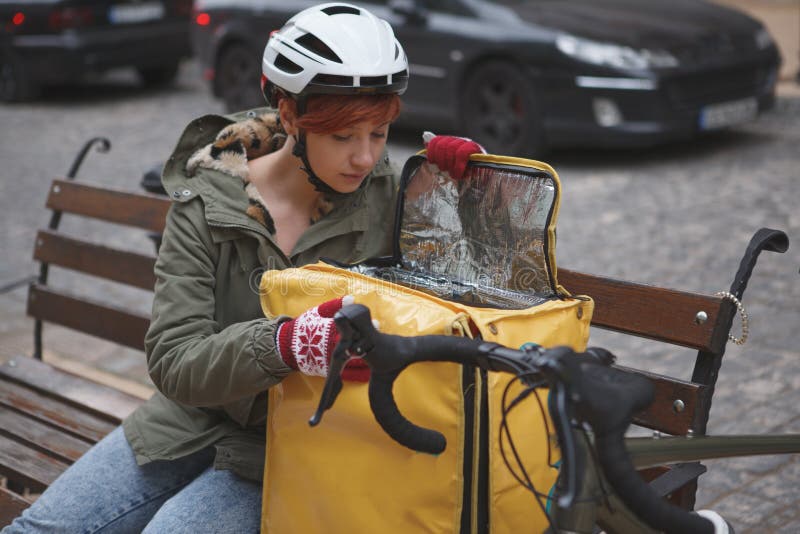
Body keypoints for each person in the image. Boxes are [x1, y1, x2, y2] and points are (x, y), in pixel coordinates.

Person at [1, 3, 482, 532]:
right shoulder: (208, 198)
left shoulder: (392, 198)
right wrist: (285, 344)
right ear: (290, 114)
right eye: (343, 136)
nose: (365, 158)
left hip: (302, 442)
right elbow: (174, 359)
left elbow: (465, 299)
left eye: (380, 133)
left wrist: (468, 196)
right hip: (189, 421)